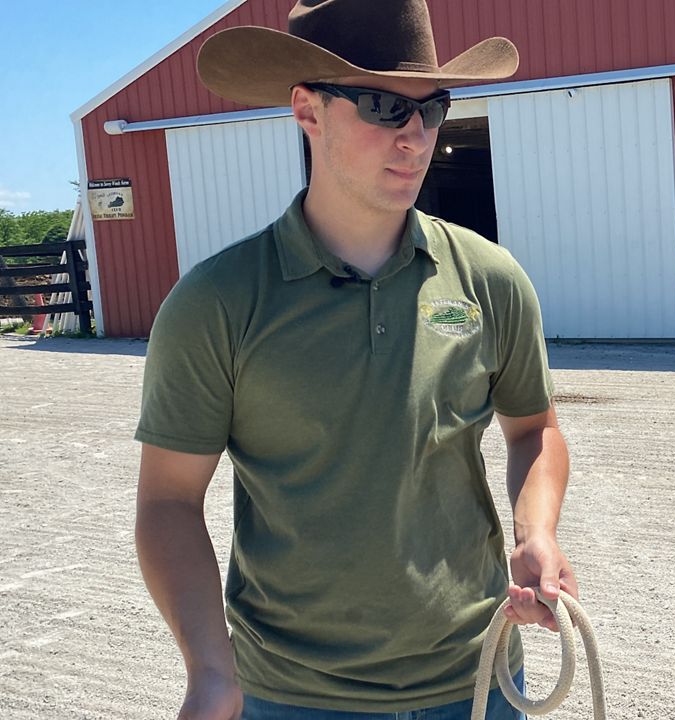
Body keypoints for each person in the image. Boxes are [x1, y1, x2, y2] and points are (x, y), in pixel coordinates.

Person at [133, 1, 576, 718]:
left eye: (431, 110)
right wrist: (212, 670)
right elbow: (167, 502)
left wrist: (538, 532)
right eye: (380, 106)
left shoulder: (490, 280)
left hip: (478, 682)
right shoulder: (217, 302)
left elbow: (535, 429)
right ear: (307, 110)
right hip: (292, 694)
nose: (414, 137)